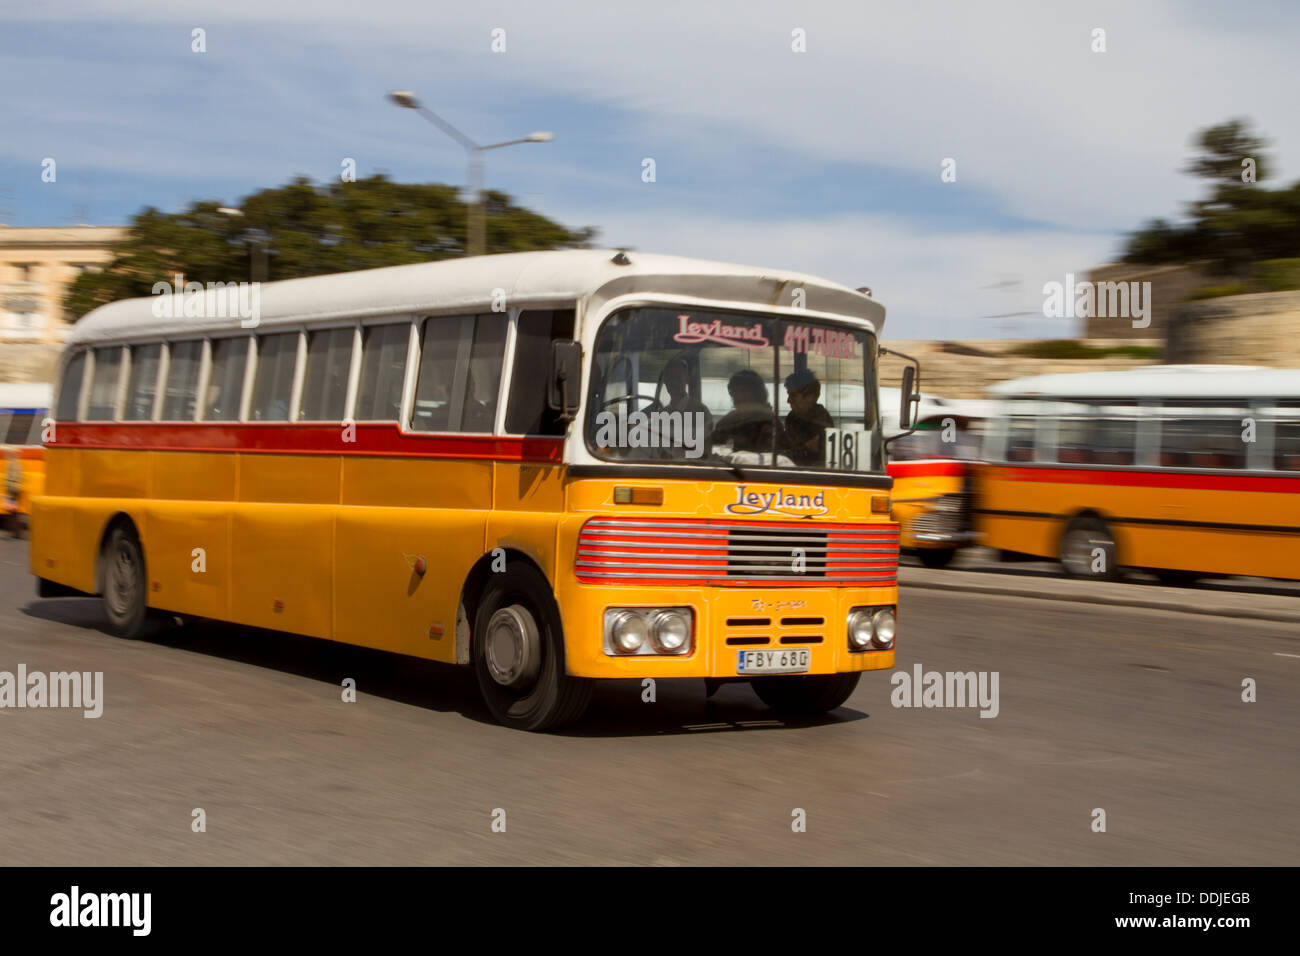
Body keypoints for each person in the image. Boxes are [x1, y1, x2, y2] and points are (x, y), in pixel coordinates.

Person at [712, 368, 782, 456]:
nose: (738, 397)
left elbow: (769, 457)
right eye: (734, 392)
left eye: (743, 391)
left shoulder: (769, 421)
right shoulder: (730, 420)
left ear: (757, 394)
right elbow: (714, 440)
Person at [783, 368, 834, 466]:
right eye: (789, 395)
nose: (788, 401)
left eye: (793, 396)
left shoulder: (821, 425)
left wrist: (804, 449)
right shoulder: (792, 418)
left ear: (810, 397)